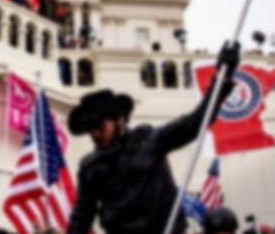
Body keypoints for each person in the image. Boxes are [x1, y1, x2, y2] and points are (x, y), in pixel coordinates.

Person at [66, 42, 240, 234]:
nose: (95, 134)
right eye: (91, 129)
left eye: (100, 126)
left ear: (120, 120)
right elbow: (81, 218)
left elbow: (193, 124)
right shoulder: (90, 167)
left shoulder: (148, 140)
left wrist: (220, 81)